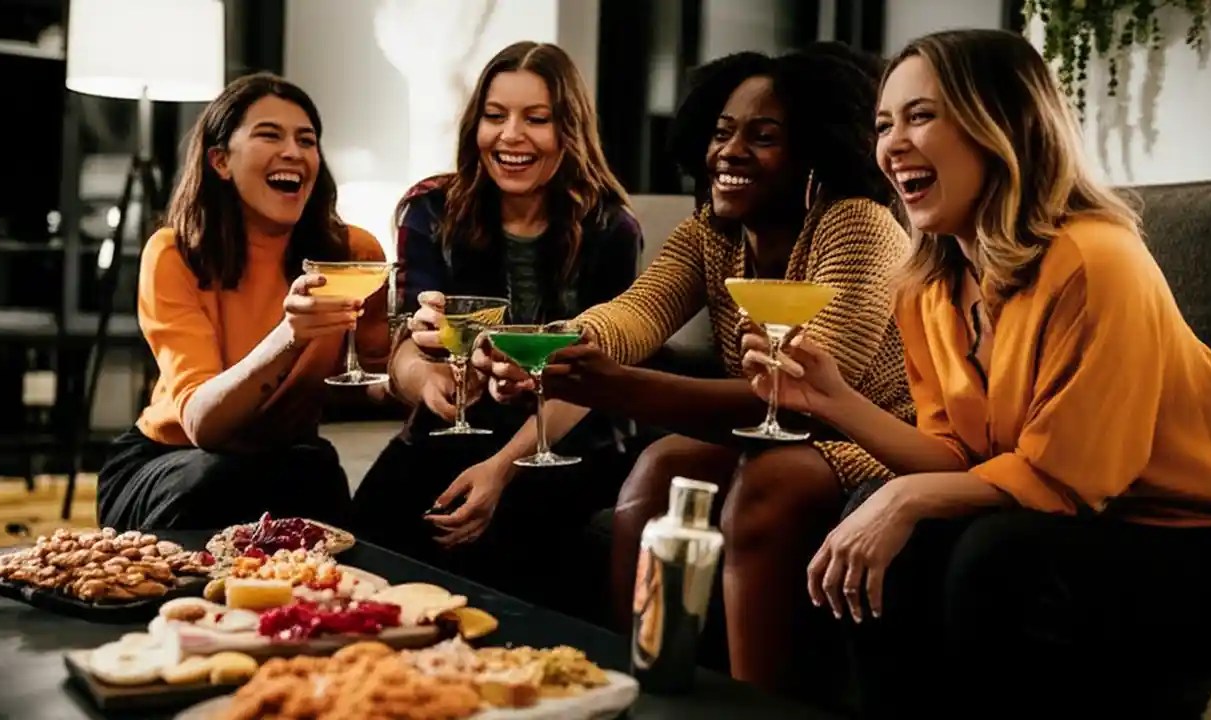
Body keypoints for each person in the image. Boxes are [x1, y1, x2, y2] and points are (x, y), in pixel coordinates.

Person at [741, 29, 1211, 718]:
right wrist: (832, 400)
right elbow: (959, 457)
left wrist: (904, 497)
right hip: (1085, 521)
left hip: (1198, 536)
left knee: (988, 555)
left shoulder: (1096, 260)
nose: (892, 145)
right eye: (884, 124)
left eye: (920, 116)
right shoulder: (926, 286)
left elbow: (1067, 481)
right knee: (878, 523)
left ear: (1002, 125)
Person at [476, 43, 913, 692]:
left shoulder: (858, 224)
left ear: (817, 151)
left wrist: (615, 386)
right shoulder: (711, 232)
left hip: (871, 436)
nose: (730, 152)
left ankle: (756, 702)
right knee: (660, 466)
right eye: (720, 132)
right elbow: (634, 314)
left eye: (763, 137)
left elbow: (799, 397)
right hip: (775, 429)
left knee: (773, 483)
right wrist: (548, 348)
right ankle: (633, 680)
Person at [349, 41, 643, 613]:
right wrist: (427, 382)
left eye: (537, 119)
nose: (511, 135)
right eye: (494, 115)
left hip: (565, 437)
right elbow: (410, 345)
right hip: (454, 425)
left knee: (514, 540)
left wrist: (501, 470)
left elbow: (593, 378)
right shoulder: (431, 208)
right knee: (370, 537)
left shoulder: (611, 227)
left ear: (569, 130)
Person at [98, 73, 390, 531]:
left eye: (307, 140)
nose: (293, 152)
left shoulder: (354, 255)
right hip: (174, 459)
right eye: (269, 135)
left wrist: (433, 367)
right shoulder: (174, 254)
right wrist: (289, 336)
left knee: (316, 474)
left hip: (286, 457)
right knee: (221, 479)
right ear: (220, 161)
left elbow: (372, 376)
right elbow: (203, 425)